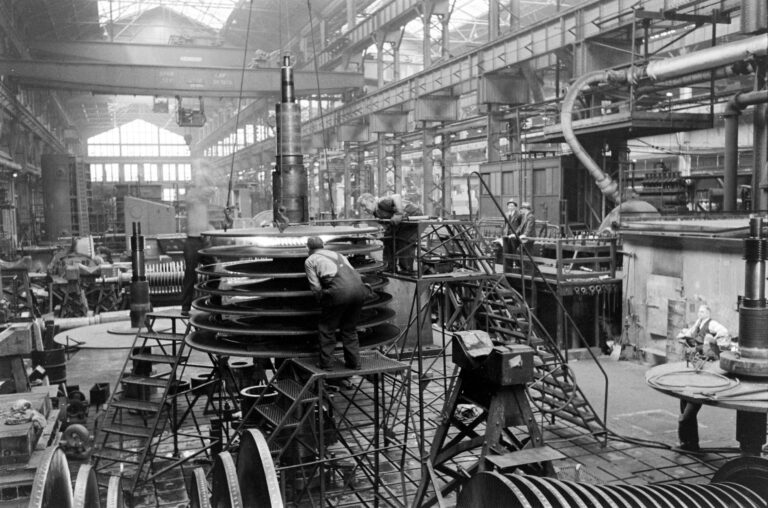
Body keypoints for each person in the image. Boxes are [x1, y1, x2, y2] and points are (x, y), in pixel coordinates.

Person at [304, 237, 368, 370]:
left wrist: (321, 301)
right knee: (349, 329)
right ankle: (354, 363)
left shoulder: (310, 260)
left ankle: (326, 365)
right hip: (359, 291)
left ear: (307, 248)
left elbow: (315, 287)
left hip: (339, 293)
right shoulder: (338, 254)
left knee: (327, 329)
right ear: (323, 245)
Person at [675, 304, 731, 452]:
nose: (699, 313)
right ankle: (690, 444)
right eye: (698, 311)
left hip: (703, 370)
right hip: (694, 367)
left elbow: (724, 332)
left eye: (702, 311)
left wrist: (714, 343)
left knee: (685, 416)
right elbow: (691, 333)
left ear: (708, 312)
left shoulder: (711, 324)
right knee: (684, 404)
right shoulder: (698, 323)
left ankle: (687, 442)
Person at [358, 193, 423, 273]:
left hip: (412, 215)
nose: (364, 209)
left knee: (404, 241)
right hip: (402, 221)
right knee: (388, 240)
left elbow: (397, 196)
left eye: (364, 205)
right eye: (362, 207)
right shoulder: (376, 213)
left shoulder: (381, 202)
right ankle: (389, 266)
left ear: (371, 201)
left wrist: (399, 213)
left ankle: (406, 269)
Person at [181, 186, 217, 317]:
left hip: (204, 242)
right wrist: (202, 190)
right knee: (190, 274)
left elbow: (206, 223)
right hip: (192, 242)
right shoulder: (192, 198)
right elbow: (191, 197)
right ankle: (185, 307)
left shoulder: (205, 205)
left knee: (215, 270)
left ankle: (214, 302)